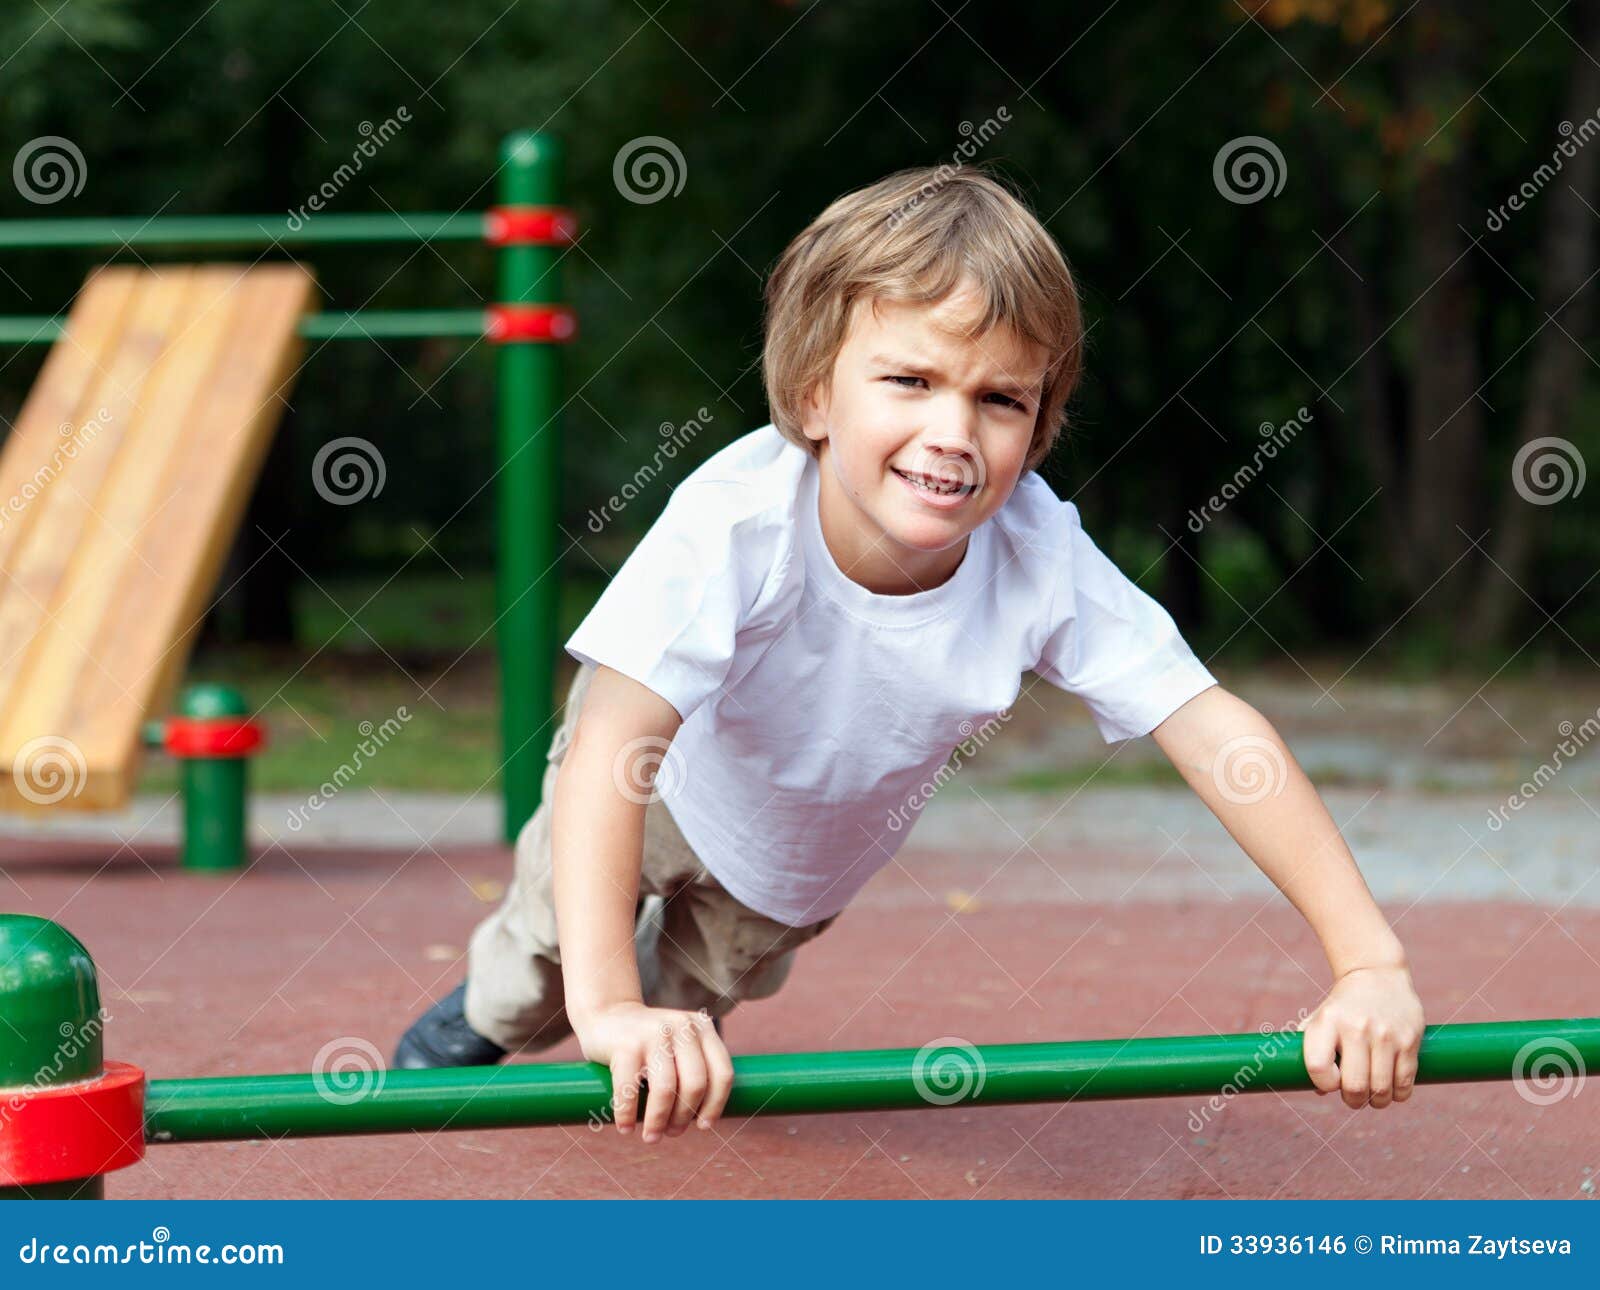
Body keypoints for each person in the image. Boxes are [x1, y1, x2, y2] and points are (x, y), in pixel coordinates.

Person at [393, 164, 1425, 1146]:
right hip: (655, 784)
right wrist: (604, 1000)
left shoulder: (1037, 555)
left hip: (788, 867)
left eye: (999, 399)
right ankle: (482, 1017)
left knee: (670, 1035)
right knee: (552, 950)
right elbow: (613, 739)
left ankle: (623, 1016)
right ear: (812, 399)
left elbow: (1211, 731)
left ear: (1040, 423)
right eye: (910, 379)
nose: (952, 431)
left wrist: (1367, 960)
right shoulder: (738, 520)